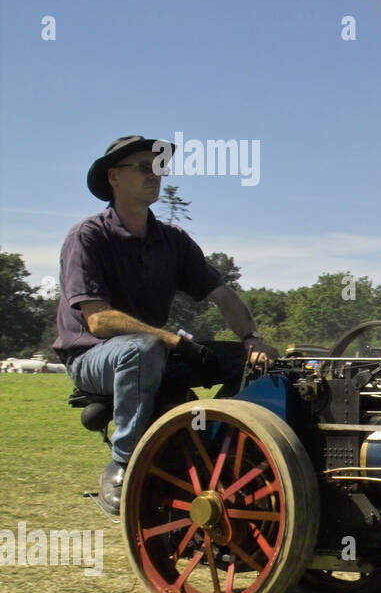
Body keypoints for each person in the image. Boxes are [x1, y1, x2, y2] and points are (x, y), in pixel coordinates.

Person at [53, 136, 277, 515]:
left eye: (159, 167)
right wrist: (173, 340)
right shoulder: (87, 236)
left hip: (155, 351)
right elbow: (98, 320)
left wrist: (252, 339)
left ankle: (214, 446)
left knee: (252, 363)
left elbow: (222, 294)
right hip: (91, 357)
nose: (155, 175)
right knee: (143, 349)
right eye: (144, 167)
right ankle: (125, 463)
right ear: (113, 177)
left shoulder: (172, 240)